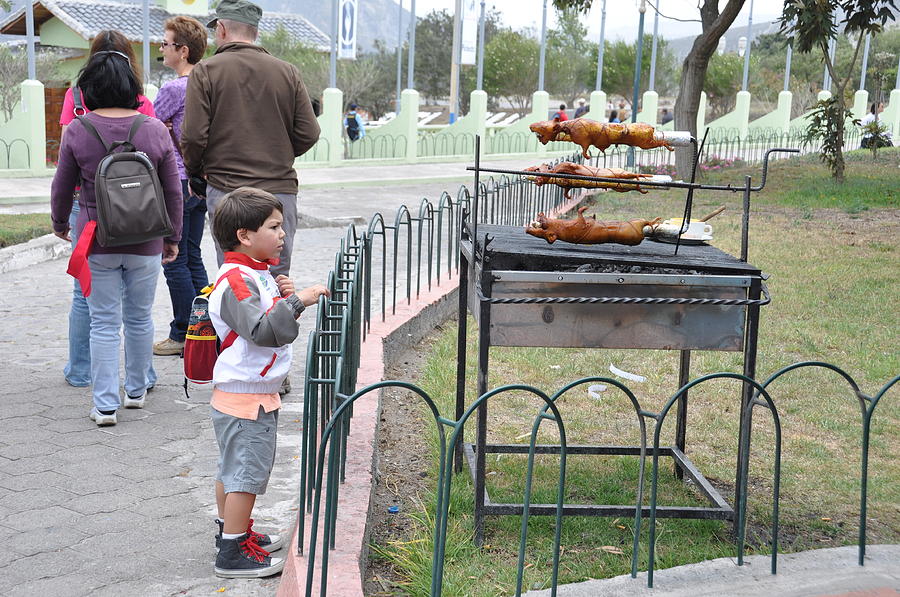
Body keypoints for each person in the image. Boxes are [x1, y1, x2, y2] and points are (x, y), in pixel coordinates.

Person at [50, 50, 183, 427]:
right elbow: (172, 191)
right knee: (140, 318)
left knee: (104, 323)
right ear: (132, 88)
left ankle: (105, 405)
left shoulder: (79, 128)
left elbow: (62, 185)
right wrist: (171, 237)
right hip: (145, 242)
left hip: (96, 240)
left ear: (89, 89)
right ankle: (137, 392)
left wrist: (61, 222)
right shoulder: (153, 128)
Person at [207, 188, 328, 578]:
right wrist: (298, 303)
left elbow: (263, 316)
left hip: (245, 393)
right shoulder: (237, 280)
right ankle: (231, 554)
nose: (283, 234)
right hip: (246, 397)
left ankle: (233, 533)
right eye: (274, 227)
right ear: (245, 235)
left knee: (232, 470)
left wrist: (283, 294)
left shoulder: (253, 273)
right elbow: (262, 331)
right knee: (245, 474)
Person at [181, 0, 320, 281]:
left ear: (220, 29)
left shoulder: (206, 71)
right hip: (278, 191)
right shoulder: (287, 72)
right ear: (255, 32)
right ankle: (278, 325)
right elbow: (310, 132)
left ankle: (240, 327)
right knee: (277, 279)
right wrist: (278, 153)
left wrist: (196, 171)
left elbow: (194, 136)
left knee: (237, 279)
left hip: (227, 191)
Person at [58, 30, 156, 388]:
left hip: (89, 212)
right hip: (139, 215)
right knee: (138, 307)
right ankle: (141, 377)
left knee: (84, 295)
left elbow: (66, 160)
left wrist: (60, 215)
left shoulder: (75, 96)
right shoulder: (142, 103)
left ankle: (81, 371)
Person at [152, 16, 210, 357]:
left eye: (165, 43)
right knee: (192, 256)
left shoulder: (174, 89)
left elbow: (150, 127)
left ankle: (184, 333)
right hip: (201, 180)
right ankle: (205, 327)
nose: (161, 48)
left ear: (182, 50)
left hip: (177, 180)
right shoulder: (207, 84)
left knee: (173, 259)